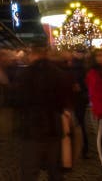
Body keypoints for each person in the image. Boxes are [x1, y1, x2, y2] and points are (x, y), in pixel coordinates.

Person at [16, 48, 70, 181]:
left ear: (33, 55)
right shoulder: (59, 73)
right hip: (53, 125)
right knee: (55, 169)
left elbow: (18, 100)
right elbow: (64, 100)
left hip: (32, 126)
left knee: (30, 169)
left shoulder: (24, 74)